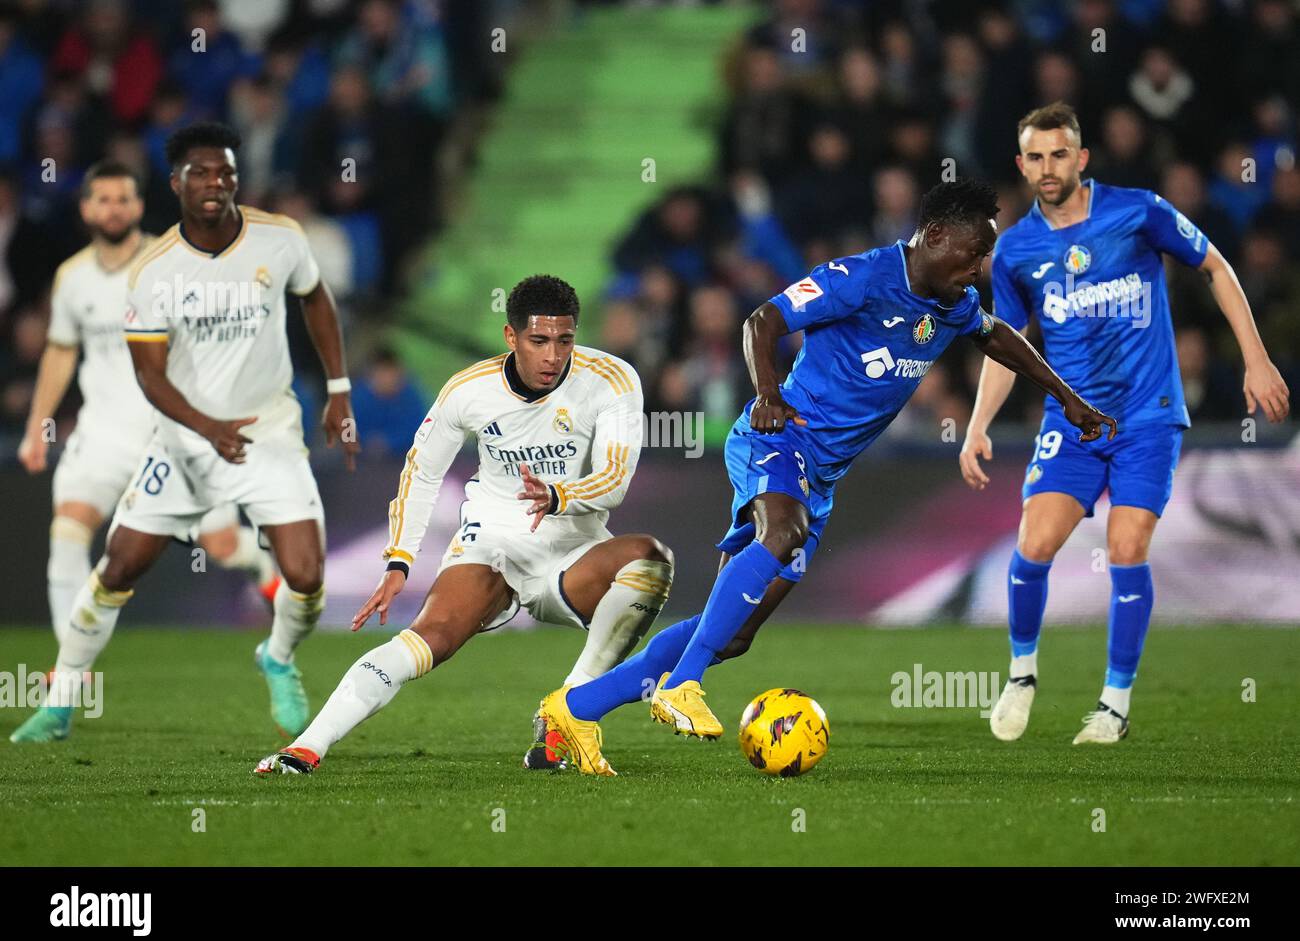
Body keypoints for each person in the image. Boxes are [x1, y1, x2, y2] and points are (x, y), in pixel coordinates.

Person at [537, 179, 1116, 775]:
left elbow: (997, 336)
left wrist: (1067, 398)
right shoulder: (860, 277)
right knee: (782, 533)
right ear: (936, 235)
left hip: (823, 478)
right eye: (972, 253)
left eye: (985, 257)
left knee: (733, 634)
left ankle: (575, 709)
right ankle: (681, 684)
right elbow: (762, 320)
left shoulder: (954, 304)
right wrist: (766, 393)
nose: (978, 268)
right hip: (780, 436)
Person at [9, 122, 359, 744]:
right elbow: (150, 376)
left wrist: (337, 391)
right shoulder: (154, 270)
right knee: (117, 568)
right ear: (175, 183)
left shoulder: (279, 239)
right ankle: (62, 700)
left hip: (267, 432)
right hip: (182, 441)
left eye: (225, 171)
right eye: (201, 173)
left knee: (307, 578)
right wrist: (206, 427)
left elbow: (315, 299)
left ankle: (276, 657)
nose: (215, 183)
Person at [960, 102, 1290, 745]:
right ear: (1021, 165)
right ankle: (1022, 675)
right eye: (1036, 156)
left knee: (1127, 548)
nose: (1048, 167)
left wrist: (1255, 359)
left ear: (1081, 159)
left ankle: (1113, 703)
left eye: (1060, 154)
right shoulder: (1016, 250)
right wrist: (977, 425)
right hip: (1074, 422)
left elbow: (1216, 267)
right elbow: (1008, 342)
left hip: (1147, 416)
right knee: (1034, 546)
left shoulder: (1138, 211)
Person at [255, 275, 674, 776]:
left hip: (571, 550)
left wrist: (559, 495)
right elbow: (422, 472)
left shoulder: (612, 378)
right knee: (427, 638)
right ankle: (306, 748)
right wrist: (399, 561)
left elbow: (615, 479)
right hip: (493, 543)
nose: (553, 356)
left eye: (565, 341)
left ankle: (566, 710)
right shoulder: (468, 390)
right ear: (510, 337)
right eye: (539, 341)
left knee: (651, 560)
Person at [15, 160, 279, 658]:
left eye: (123, 199)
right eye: (104, 199)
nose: (113, 209)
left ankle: (262, 568)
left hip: (171, 435)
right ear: (86, 207)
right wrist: (37, 425)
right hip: (102, 436)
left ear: (138, 206)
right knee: (68, 530)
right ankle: (71, 670)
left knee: (220, 547)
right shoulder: (71, 278)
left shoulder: (173, 264)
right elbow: (61, 350)